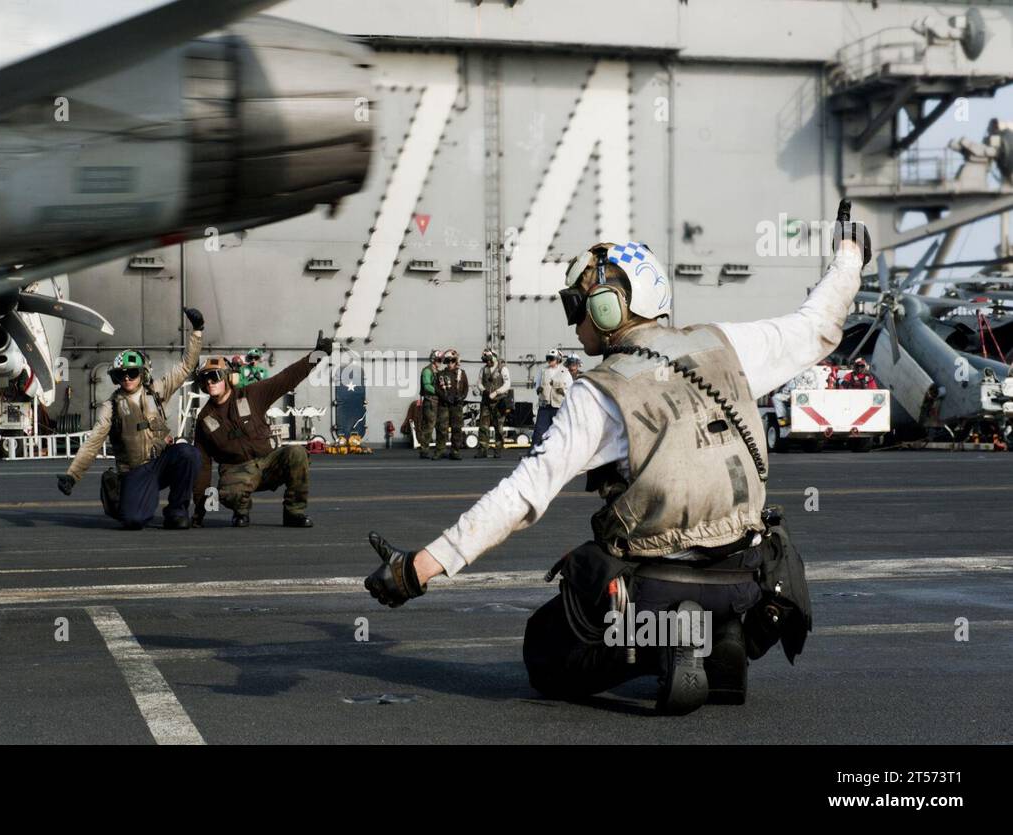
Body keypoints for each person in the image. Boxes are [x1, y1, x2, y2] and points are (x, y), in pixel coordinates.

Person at [362, 200, 871, 715]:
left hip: (654, 585)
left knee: (543, 650)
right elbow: (820, 324)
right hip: (747, 577)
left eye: (579, 304)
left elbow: (522, 495)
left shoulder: (599, 393)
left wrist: (418, 569)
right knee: (716, 587)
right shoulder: (729, 346)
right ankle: (721, 639)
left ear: (610, 306)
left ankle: (671, 645)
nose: (576, 320)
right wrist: (849, 254)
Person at [56, 308, 205, 529]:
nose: (127, 377)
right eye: (121, 374)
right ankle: (123, 500)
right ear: (116, 377)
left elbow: (185, 366)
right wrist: (73, 475)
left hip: (162, 462)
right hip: (136, 470)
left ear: (142, 373)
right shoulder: (111, 407)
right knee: (132, 520)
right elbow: (93, 442)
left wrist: (197, 331)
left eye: (132, 373)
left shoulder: (158, 390)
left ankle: (177, 510)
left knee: (188, 453)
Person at [193, 330, 333, 527]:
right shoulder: (204, 419)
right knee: (227, 493)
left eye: (215, 376)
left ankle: (294, 512)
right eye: (205, 379)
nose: (209, 382)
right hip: (237, 470)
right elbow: (203, 466)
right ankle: (241, 511)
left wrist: (317, 355)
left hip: (269, 463)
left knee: (297, 453)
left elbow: (286, 378)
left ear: (228, 378)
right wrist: (199, 512)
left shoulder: (252, 395)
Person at [529, 348, 569, 454]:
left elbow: (570, 387)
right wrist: (538, 389)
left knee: (559, 431)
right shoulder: (543, 371)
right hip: (545, 406)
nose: (549, 361)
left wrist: (563, 391)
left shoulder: (565, 372)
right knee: (539, 431)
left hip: (558, 406)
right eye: (548, 359)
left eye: (552, 358)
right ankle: (534, 452)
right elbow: (537, 384)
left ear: (558, 359)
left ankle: (561, 453)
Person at [475, 347, 511, 458]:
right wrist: (484, 391)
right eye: (486, 360)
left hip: (499, 401)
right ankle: (482, 450)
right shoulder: (483, 369)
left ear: (494, 357)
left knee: (498, 427)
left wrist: (496, 392)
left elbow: (507, 384)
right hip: (486, 401)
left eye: (489, 359)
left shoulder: (502, 369)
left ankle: (498, 449)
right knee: (483, 426)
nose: (488, 362)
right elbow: (479, 383)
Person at [433, 348, 468, 460]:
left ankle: (455, 451)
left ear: (456, 361)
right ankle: (440, 451)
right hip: (444, 405)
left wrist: (461, 397)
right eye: (448, 361)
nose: (450, 363)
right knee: (441, 429)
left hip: (457, 406)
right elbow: (437, 389)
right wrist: (445, 397)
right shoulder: (441, 374)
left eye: (452, 361)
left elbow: (466, 388)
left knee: (457, 429)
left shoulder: (462, 374)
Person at [417, 350, 443, 459]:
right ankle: (424, 450)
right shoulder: (427, 371)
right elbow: (427, 386)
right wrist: (439, 392)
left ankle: (439, 450)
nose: (440, 362)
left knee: (440, 427)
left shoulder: (438, 371)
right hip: (430, 401)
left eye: (441, 360)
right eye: (439, 360)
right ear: (433, 360)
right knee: (428, 427)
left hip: (439, 401)